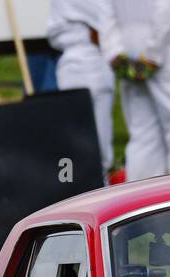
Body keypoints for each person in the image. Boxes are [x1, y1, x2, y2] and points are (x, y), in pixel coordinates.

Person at [103, 0, 170, 179]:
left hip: (130, 53)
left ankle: (141, 202)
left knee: (143, 138)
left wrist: (114, 53)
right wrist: (152, 54)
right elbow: (166, 10)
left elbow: (105, 12)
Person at [47, 0, 116, 175]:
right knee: (96, 143)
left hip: (74, 61)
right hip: (89, 58)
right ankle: (94, 184)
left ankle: (82, 182)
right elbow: (107, 18)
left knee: (79, 141)